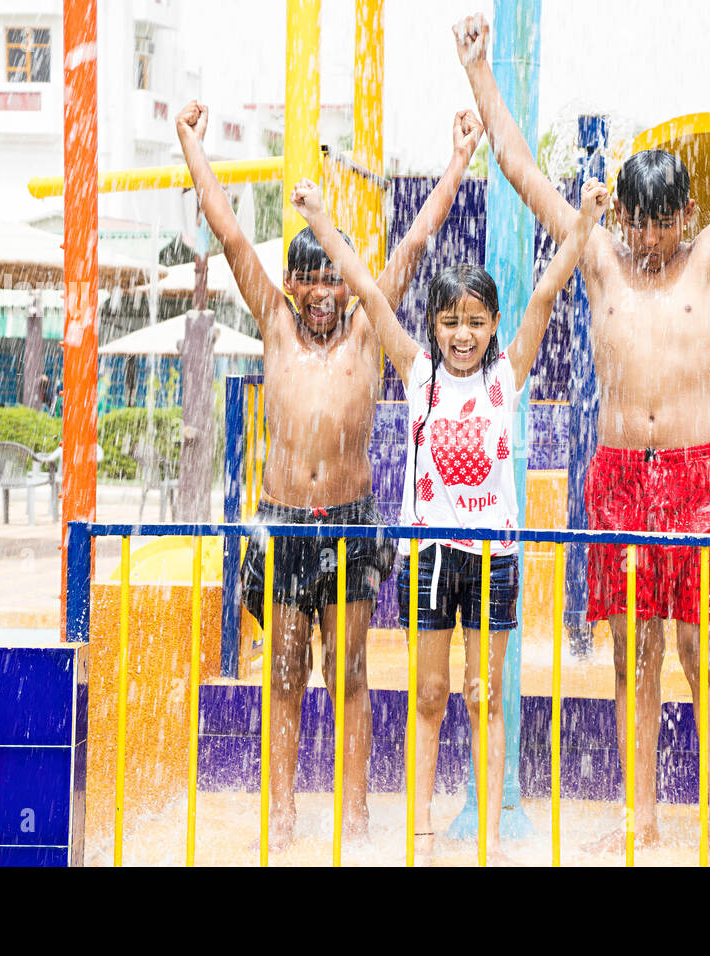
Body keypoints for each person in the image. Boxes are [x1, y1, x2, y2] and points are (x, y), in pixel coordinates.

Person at [455, 14, 710, 864]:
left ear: (687, 212)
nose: (649, 240)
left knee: (707, 658)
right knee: (631, 661)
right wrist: (479, 72)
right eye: (638, 223)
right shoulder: (599, 256)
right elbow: (519, 168)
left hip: (698, 477)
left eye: (662, 223)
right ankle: (639, 820)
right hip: (618, 479)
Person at [175, 100, 485, 851]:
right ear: (288, 284)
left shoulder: (366, 329)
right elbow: (229, 231)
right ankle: (281, 821)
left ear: (347, 282)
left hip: (349, 522)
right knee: (284, 674)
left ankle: (355, 817)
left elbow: (415, 242)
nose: (321, 293)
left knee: (349, 674)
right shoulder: (274, 323)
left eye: (331, 280)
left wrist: (458, 161)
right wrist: (191, 147)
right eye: (307, 281)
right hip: (282, 522)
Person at [293, 174, 608, 863]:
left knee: (484, 695)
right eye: (449, 322)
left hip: (493, 557)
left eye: (475, 321)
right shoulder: (417, 373)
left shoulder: (506, 377)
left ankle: (489, 838)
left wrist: (584, 222)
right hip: (429, 556)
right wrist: (318, 219)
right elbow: (368, 290)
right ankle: (423, 836)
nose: (462, 334)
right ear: (433, 327)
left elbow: (547, 292)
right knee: (431, 694)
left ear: (492, 324)